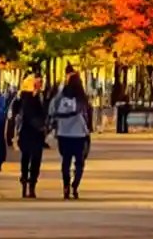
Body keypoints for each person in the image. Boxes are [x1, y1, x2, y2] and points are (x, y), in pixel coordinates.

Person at [49, 72, 92, 200]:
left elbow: (52, 111)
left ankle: (66, 185)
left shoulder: (60, 97)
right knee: (79, 162)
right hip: (79, 134)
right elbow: (87, 116)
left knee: (65, 161)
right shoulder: (82, 98)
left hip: (63, 133)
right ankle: (75, 185)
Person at [6, 74, 47, 198]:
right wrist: (41, 126)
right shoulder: (28, 98)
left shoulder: (25, 97)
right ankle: (29, 183)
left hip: (28, 132)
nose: (39, 85)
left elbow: (13, 114)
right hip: (32, 132)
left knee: (28, 158)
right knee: (33, 158)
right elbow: (29, 115)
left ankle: (27, 182)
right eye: (37, 83)